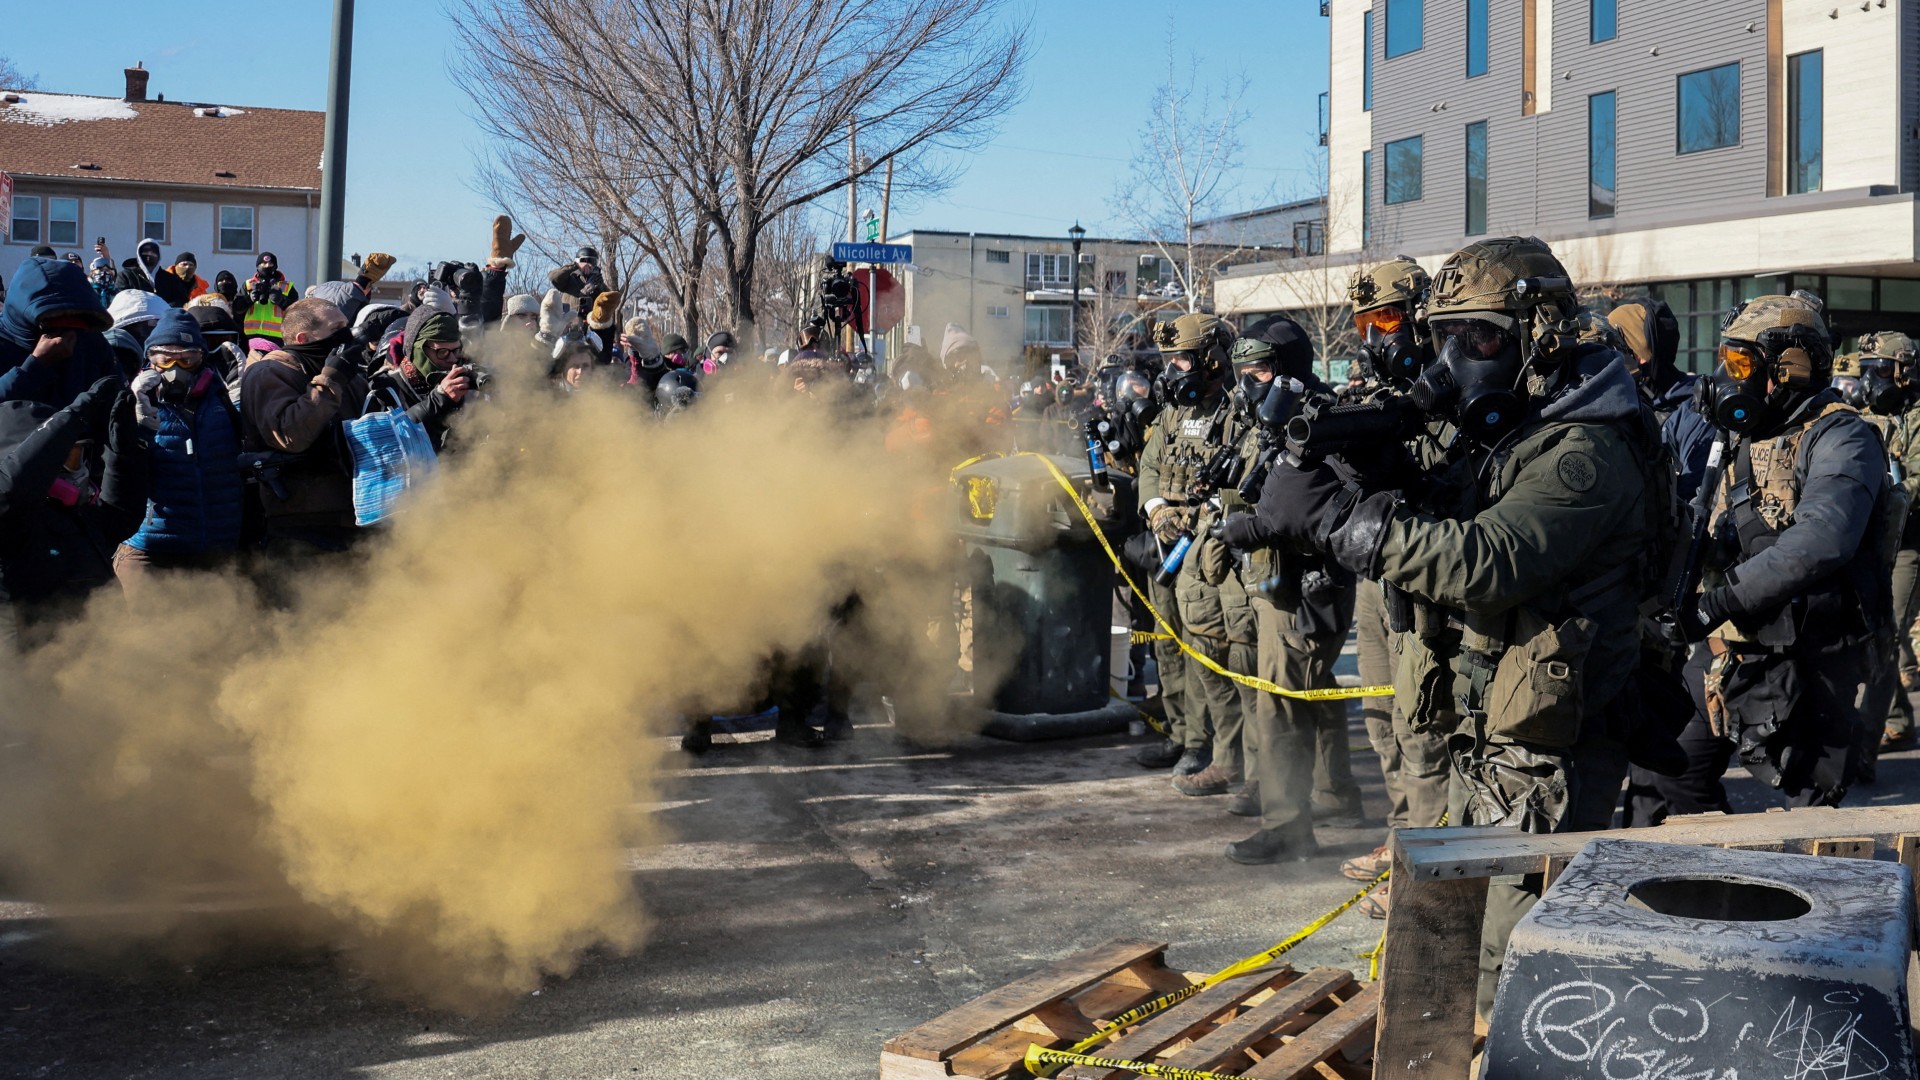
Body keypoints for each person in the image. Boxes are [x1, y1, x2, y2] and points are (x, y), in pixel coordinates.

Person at [1253, 237, 1656, 1003]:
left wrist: (1347, 526)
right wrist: (1373, 472)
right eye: (1443, 336)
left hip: (1553, 750)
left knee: (1513, 970)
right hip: (1490, 732)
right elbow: (1450, 505)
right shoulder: (1518, 428)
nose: (1458, 357)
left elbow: (1489, 561)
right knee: (1456, 949)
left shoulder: (1586, 446)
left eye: (1480, 337)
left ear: (1541, 336)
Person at [1686, 293, 1892, 808]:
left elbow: (1823, 537)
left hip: (1810, 653)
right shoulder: (1744, 433)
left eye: (1741, 363)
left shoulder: (1841, 434)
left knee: (1806, 814)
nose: (1730, 377)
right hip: (1730, 642)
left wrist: (1717, 602)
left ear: (1788, 368)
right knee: (1673, 780)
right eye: (1727, 360)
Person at [1210, 316, 1362, 864]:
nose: (1249, 382)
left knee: (1282, 706)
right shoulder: (1293, 414)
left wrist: (1237, 527)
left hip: (1301, 589)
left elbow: (1284, 515)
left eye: (1258, 370)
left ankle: (1287, 827)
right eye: (1244, 372)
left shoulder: (1312, 419)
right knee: (1313, 697)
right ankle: (1336, 793)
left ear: (1286, 367)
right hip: (1294, 586)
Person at [1326, 258, 1449, 888]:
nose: (1377, 336)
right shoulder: (1371, 387)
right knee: (1379, 716)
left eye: (1389, 319)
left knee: (1420, 725)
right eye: (1366, 323)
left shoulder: (1454, 383)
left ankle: (1424, 866)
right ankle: (1400, 834)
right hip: (1374, 572)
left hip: (1425, 575)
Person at [1135, 313, 1245, 781]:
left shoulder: (1237, 412)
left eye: (1183, 359)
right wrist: (1159, 510)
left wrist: (1197, 521)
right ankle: (1179, 733)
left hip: (1206, 552)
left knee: (1205, 655)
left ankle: (1204, 745)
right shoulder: (1172, 416)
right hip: (1166, 545)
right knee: (1168, 648)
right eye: (1170, 361)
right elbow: (1150, 468)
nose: (1174, 370)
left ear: (1213, 360)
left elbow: (1240, 482)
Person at [0, 377, 146, 648]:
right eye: (60, 457)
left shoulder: (73, 514)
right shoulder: (11, 518)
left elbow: (121, 515)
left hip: (93, 663)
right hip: (30, 673)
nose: (74, 469)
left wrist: (121, 453)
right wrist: (73, 416)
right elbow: (11, 487)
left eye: (75, 456)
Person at [111, 309, 244, 597]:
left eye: (187, 358)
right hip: (150, 547)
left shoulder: (221, 398)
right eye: (165, 358)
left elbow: (247, 448)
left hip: (214, 546)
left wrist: (241, 404)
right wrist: (134, 421)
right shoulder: (132, 400)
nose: (175, 368)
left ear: (202, 359)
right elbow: (118, 470)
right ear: (150, 360)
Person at [238, 298, 368, 558]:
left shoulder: (349, 376)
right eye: (337, 328)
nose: (347, 335)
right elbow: (289, 436)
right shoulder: (269, 372)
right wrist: (331, 380)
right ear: (302, 338)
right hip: (300, 527)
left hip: (357, 517)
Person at [1855, 332, 1920, 752]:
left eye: (1877, 370)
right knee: (1872, 630)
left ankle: (1865, 742)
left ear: (1902, 372)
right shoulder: (1868, 418)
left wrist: (1891, 490)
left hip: (1911, 543)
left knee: (1889, 632)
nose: (1868, 382)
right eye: (1865, 371)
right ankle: (1897, 718)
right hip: (1873, 540)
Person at [0, 256, 121, 409]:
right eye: (52, 324)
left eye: (75, 322)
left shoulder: (90, 341)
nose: (64, 336)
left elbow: (116, 400)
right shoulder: (5, 344)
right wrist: (35, 366)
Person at [368, 307, 473, 450]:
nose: (452, 359)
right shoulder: (385, 388)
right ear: (417, 350)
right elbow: (381, 443)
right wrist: (438, 400)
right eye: (442, 352)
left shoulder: (461, 378)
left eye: (456, 350)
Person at [236, 253, 300, 348]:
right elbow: (237, 309)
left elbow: (296, 312)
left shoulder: (286, 287)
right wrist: (249, 299)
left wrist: (281, 300)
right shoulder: (248, 285)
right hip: (251, 336)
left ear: (276, 266)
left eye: (270, 264)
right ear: (257, 266)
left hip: (277, 338)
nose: (267, 266)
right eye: (263, 264)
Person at [114, 238, 189, 308]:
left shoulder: (171, 279)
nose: (149, 254)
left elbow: (182, 301)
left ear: (159, 255)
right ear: (139, 254)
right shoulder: (125, 276)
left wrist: (166, 308)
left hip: (164, 318)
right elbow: (122, 299)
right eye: (145, 251)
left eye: (153, 252)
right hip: (137, 319)